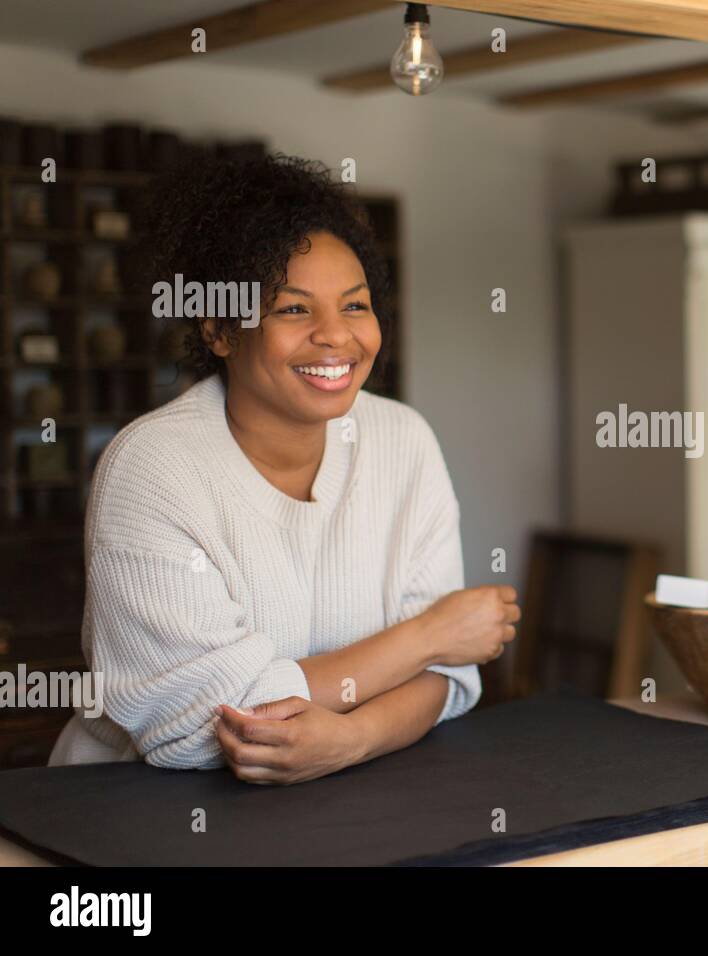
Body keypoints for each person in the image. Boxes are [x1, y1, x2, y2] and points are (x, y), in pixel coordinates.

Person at [48, 154, 518, 783]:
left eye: (354, 306)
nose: (335, 337)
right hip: (142, 814)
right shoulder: (153, 468)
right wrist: (430, 633)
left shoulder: (403, 441)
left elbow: (445, 675)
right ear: (218, 328)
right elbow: (200, 724)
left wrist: (350, 739)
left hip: (343, 799)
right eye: (294, 310)